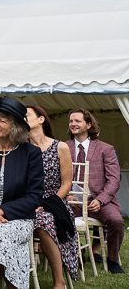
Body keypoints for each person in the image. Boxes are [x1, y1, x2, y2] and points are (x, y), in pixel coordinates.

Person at [0, 96, 44, 289]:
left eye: (2, 120)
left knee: (0, 235)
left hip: (18, 218)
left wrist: (2, 210)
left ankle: (13, 285)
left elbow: (35, 195)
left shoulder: (31, 153)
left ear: (16, 126)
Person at [66, 108, 123, 273]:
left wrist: (101, 199)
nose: (73, 124)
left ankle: (112, 259)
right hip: (72, 201)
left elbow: (114, 179)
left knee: (116, 221)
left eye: (77, 121)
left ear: (89, 124)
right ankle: (72, 256)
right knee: (59, 218)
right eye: (71, 121)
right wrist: (66, 195)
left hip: (99, 200)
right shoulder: (63, 147)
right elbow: (55, 176)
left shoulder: (106, 149)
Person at [26, 105, 78, 287]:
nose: (22, 118)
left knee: (43, 219)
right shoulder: (22, 148)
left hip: (55, 202)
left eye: (27, 115)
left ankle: (59, 281)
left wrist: (47, 204)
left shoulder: (60, 147)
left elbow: (66, 183)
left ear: (41, 119)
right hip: (28, 201)